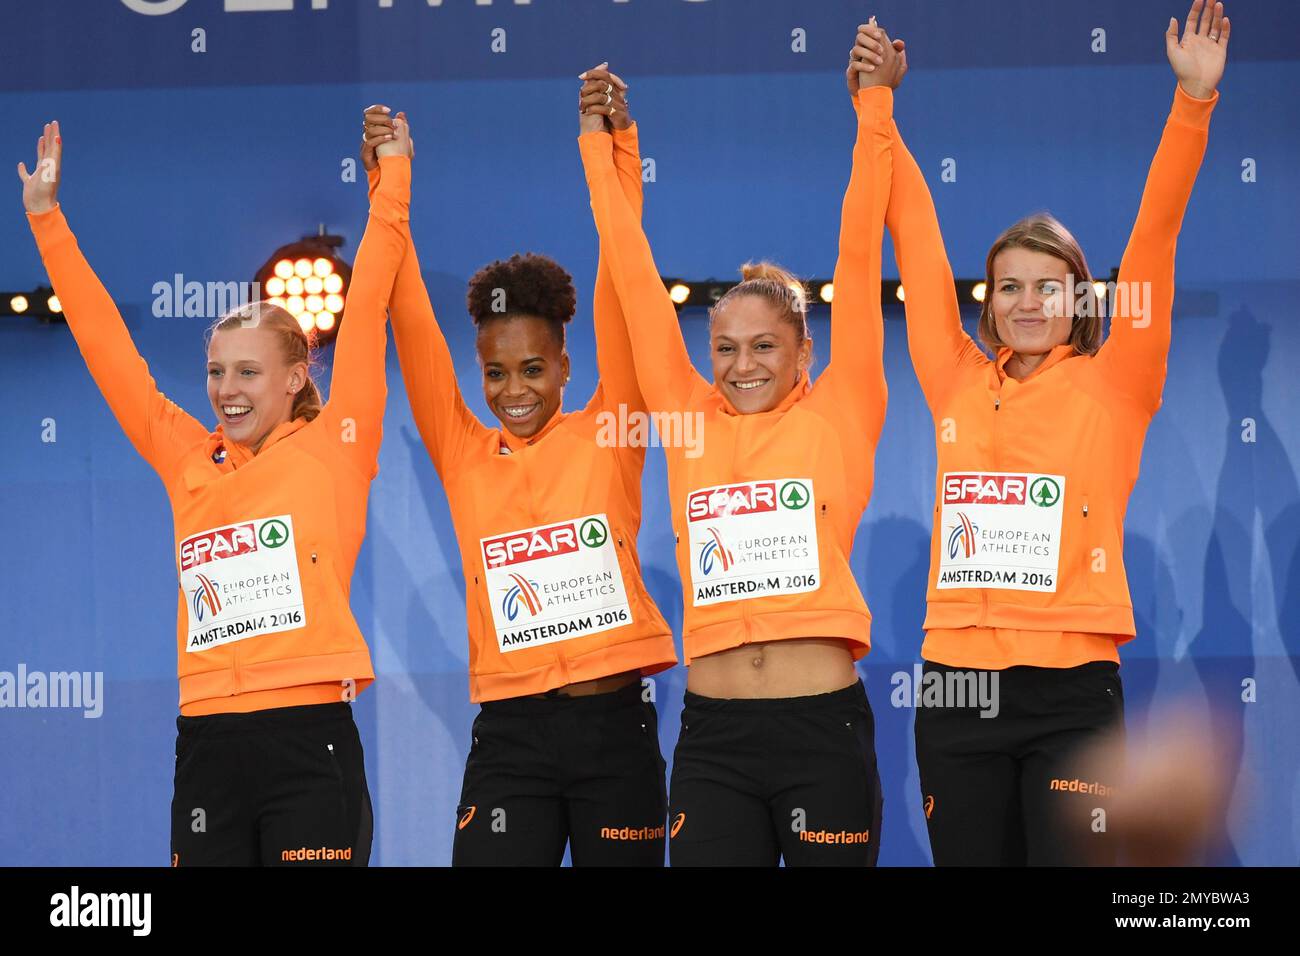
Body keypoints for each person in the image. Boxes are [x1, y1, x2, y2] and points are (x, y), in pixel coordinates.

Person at [856, 2, 1229, 864]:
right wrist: (878, 108)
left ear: (1079, 298)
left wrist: (1192, 107)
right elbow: (912, 237)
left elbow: (1156, 236)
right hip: (956, 687)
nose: (1026, 302)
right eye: (1008, 286)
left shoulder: (1116, 382)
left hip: (1072, 690)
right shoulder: (953, 376)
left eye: (1046, 285)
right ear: (988, 302)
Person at [19, 114, 414, 865]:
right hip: (206, 743)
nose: (225, 391)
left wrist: (390, 176)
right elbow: (109, 352)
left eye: (247, 371)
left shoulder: (338, 444)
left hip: (309, 742)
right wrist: (47, 221)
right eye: (214, 371)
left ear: (297, 376)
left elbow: (366, 311)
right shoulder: (186, 456)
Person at [577, 29, 893, 865]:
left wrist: (874, 107)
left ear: (803, 354)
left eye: (763, 347)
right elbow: (633, 276)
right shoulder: (685, 416)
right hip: (714, 739)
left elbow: (859, 251)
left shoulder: (842, 410)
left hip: (821, 728)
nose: (741, 365)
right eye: (724, 347)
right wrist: (605, 148)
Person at [359, 75, 677, 867]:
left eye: (533, 368)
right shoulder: (466, 452)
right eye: (495, 374)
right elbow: (409, 320)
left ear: (567, 364)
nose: (514, 391)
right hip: (511, 739)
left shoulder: (612, 428)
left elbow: (625, 277)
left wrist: (608, 148)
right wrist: (389, 179)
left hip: (614, 734)